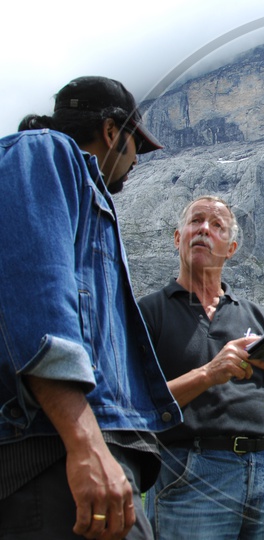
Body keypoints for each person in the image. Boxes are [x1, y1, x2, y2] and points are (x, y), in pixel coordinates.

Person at [0, 76, 182, 540]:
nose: (137, 160)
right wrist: (86, 443)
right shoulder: (43, 152)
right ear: (110, 132)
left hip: (82, 448)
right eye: (136, 144)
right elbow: (39, 298)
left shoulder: (77, 182)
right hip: (54, 452)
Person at [138, 195, 264, 540]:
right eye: (195, 221)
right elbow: (133, 405)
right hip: (189, 474)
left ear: (231, 248)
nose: (204, 229)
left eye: (217, 225)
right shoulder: (148, 314)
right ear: (178, 238)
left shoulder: (257, 318)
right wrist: (210, 372)